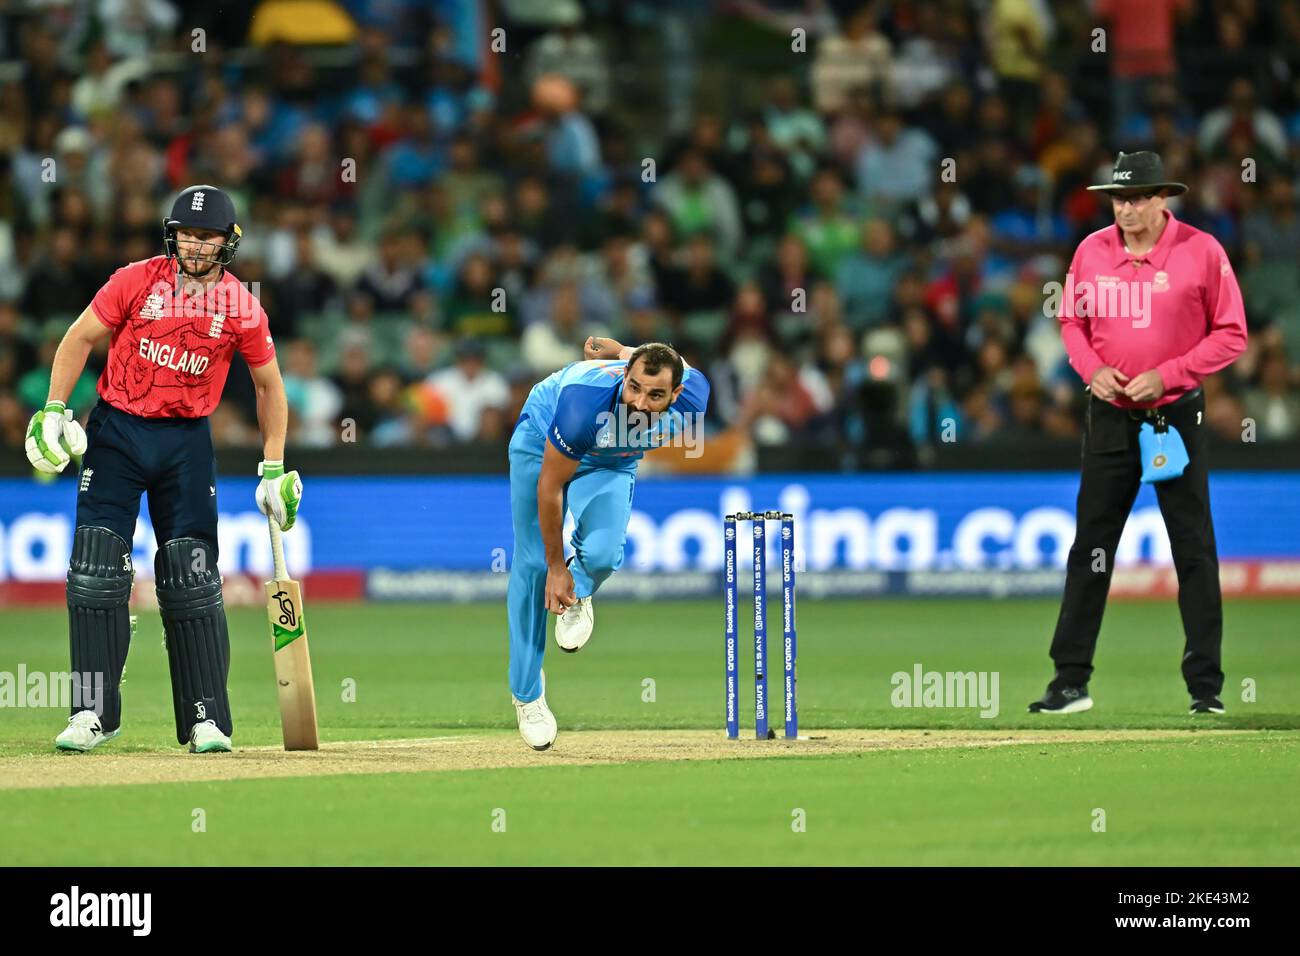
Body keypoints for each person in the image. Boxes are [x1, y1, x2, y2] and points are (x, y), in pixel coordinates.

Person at [24, 185, 302, 754]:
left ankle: (205, 717)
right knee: (95, 569)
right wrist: (54, 408)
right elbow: (78, 339)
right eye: (188, 235)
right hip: (117, 432)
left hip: (185, 443)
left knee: (191, 577)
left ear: (229, 243)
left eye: (209, 238)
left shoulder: (241, 307)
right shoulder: (135, 280)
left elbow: (269, 386)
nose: (196, 247)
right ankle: (91, 711)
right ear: (171, 235)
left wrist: (272, 464)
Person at [1029, 151, 1246, 716]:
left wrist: (1168, 375)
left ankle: (1206, 689)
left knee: (1192, 549)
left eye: (1137, 197)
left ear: (1161, 199)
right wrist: (1091, 370)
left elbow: (1232, 333)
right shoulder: (1091, 250)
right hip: (1109, 418)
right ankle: (1069, 681)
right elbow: (1072, 322)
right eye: (1119, 198)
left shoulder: (1202, 251)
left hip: (1173, 415)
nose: (1125, 208)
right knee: (1091, 549)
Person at [506, 337, 709, 750]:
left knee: (602, 556)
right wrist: (557, 568)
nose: (640, 403)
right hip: (544, 438)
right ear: (626, 378)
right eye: (634, 387)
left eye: (656, 395)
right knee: (533, 566)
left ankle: (579, 595)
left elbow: (648, 363)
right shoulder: (584, 406)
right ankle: (528, 696)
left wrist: (621, 350)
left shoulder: (695, 397)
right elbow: (550, 487)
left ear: (677, 393)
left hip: (613, 459)